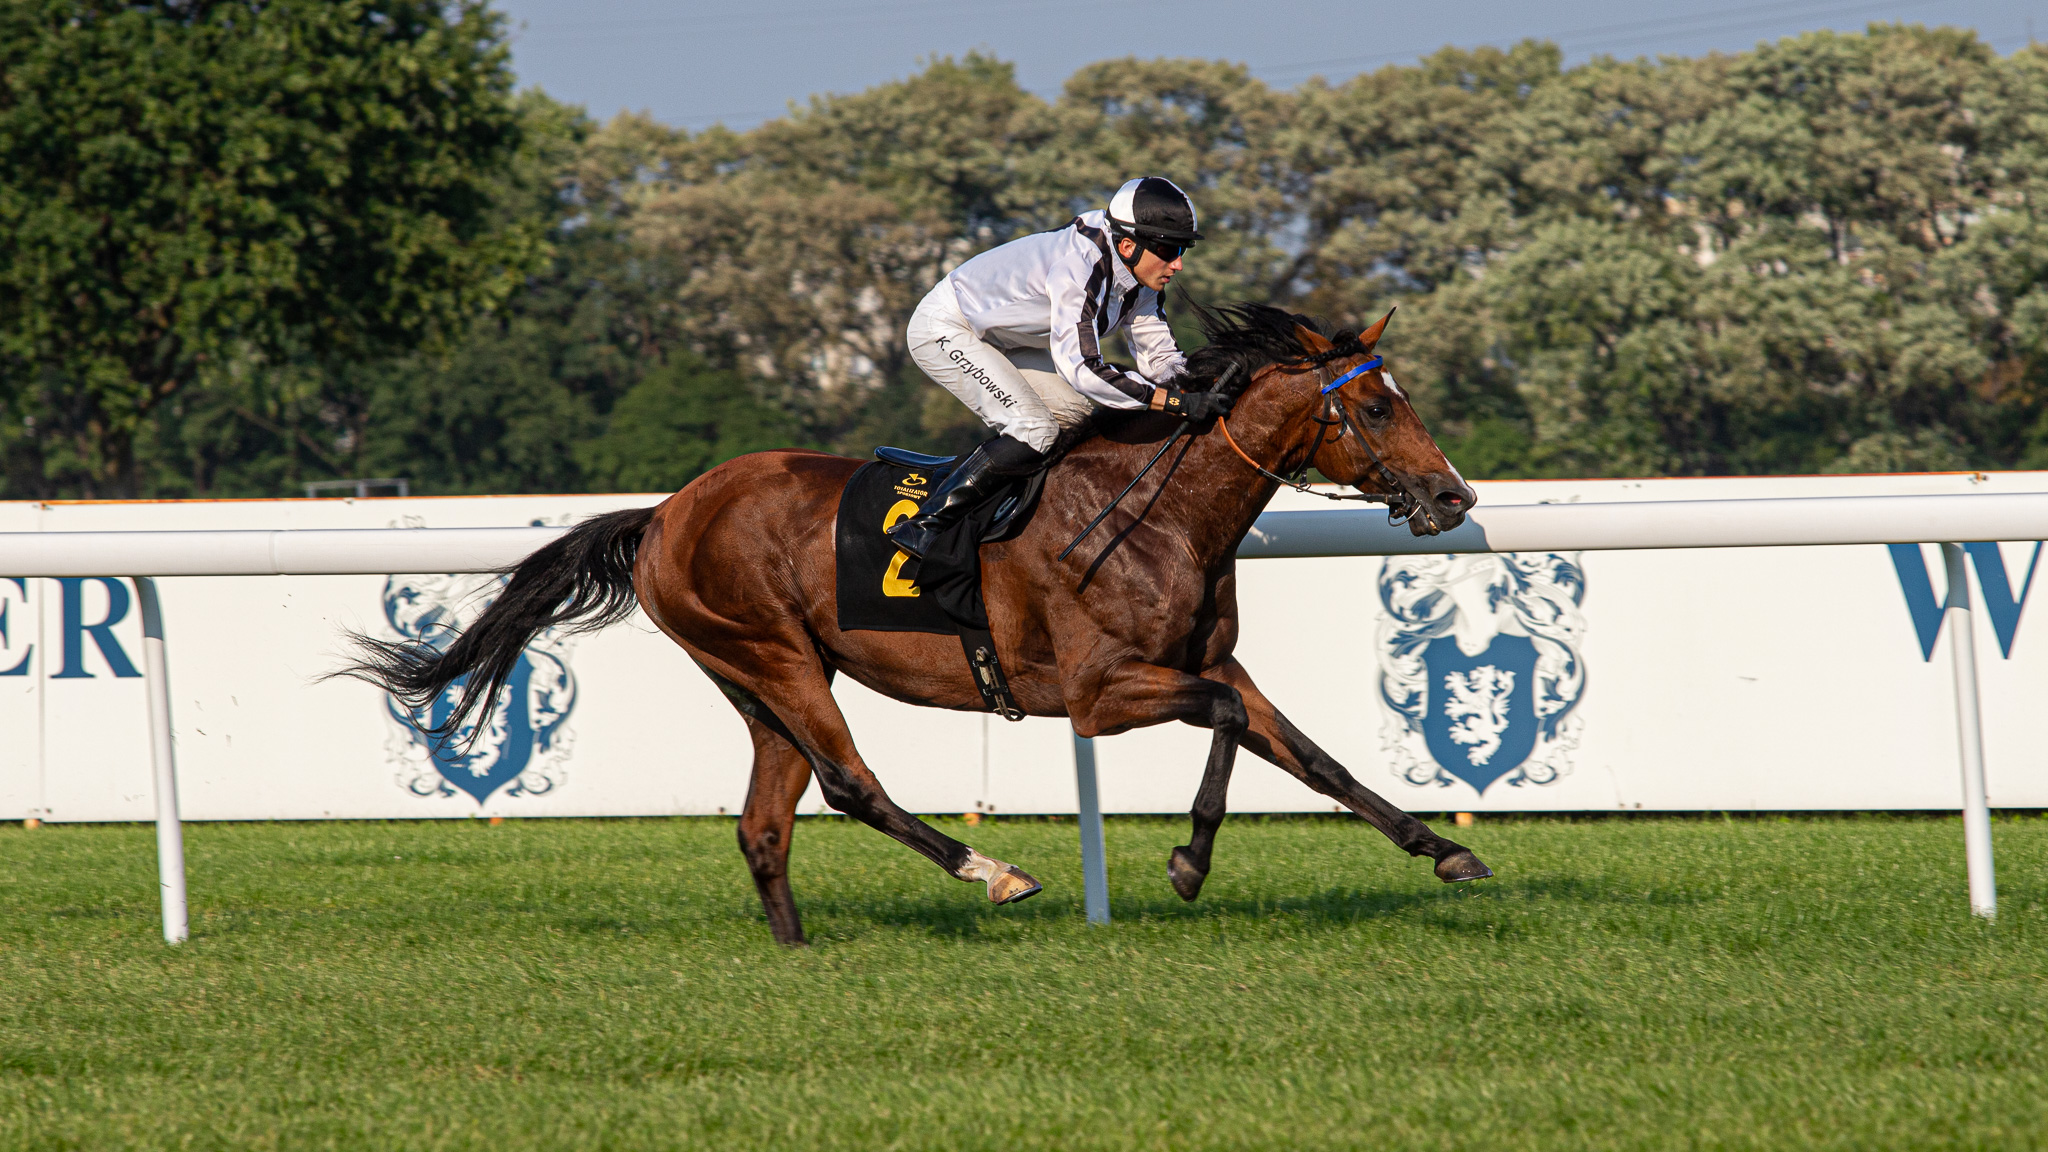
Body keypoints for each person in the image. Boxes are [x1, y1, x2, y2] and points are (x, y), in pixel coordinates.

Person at [884, 176, 1235, 560]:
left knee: (1077, 417)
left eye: (1182, 248)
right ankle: (926, 524)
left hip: (1009, 338)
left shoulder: (1141, 278)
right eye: (1169, 249)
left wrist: (1202, 389)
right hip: (948, 327)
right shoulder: (1079, 266)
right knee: (1035, 428)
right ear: (1129, 244)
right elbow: (1082, 369)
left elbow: (1161, 359)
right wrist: (1170, 403)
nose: (1178, 263)